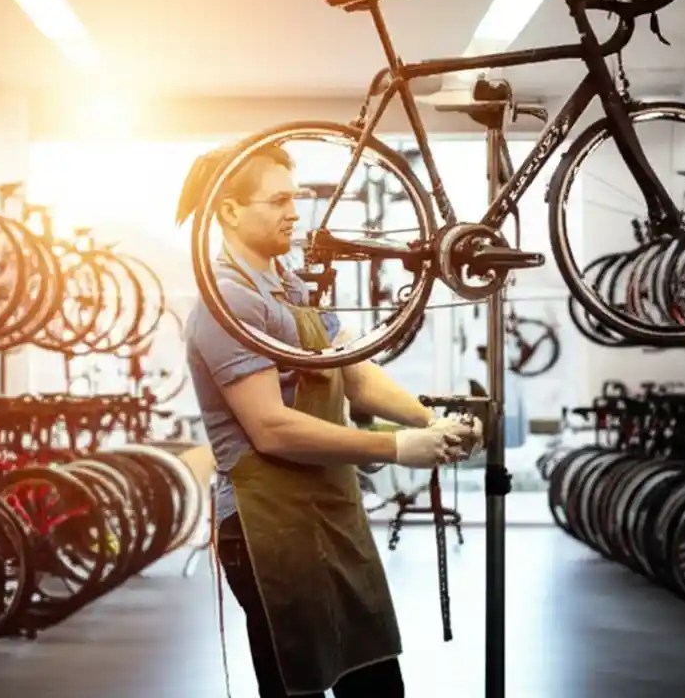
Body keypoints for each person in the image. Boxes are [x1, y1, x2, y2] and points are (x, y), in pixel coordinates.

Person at [176, 143, 481, 698]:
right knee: (299, 688)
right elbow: (271, 428)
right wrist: (398, 448)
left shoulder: (290, 287)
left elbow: (355, 375)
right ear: (229, 211)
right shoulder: (228, 303)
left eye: (295, 198)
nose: (295, 213)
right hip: (268, 527)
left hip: (328, 510)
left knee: (377, 684)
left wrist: (432, 420)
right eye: (278, 200)